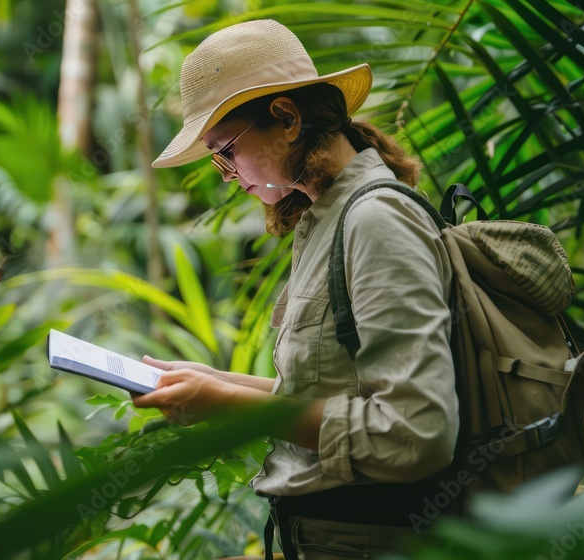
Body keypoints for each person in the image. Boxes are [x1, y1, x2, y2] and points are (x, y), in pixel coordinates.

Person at [132, 19, 459, 559]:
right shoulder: (325, 218)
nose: (225, 174)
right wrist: (216, 384)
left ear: (286, 117)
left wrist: (233, 406)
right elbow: (338, 391)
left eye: (226, 151)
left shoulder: (375, 219)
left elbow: (416, 433)